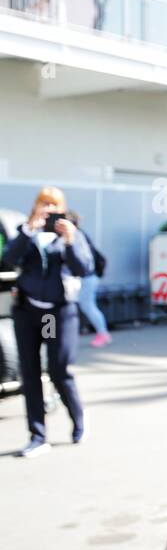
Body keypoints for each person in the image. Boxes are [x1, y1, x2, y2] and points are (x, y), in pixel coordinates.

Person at [1, 186, 93, 457]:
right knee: (29, 373)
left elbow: (83, 268)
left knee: (57, 370)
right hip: (28, 311)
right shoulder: (26, 231)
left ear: (62, 208)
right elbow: (9, 258)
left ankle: (78, 418)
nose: (49, 210)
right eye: (44, 204)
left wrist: (70, 240)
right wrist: (29, 229)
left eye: (54, 205)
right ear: (36, 205)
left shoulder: (70, 234)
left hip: (54, 314)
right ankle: (37, 436)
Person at [66, 212, 111, 347]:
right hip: (84, 277)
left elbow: (84, 262)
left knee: (87, 305)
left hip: (86, 277)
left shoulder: (76, 235)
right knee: (83, 305)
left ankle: (103, 333)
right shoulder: (78, 234)